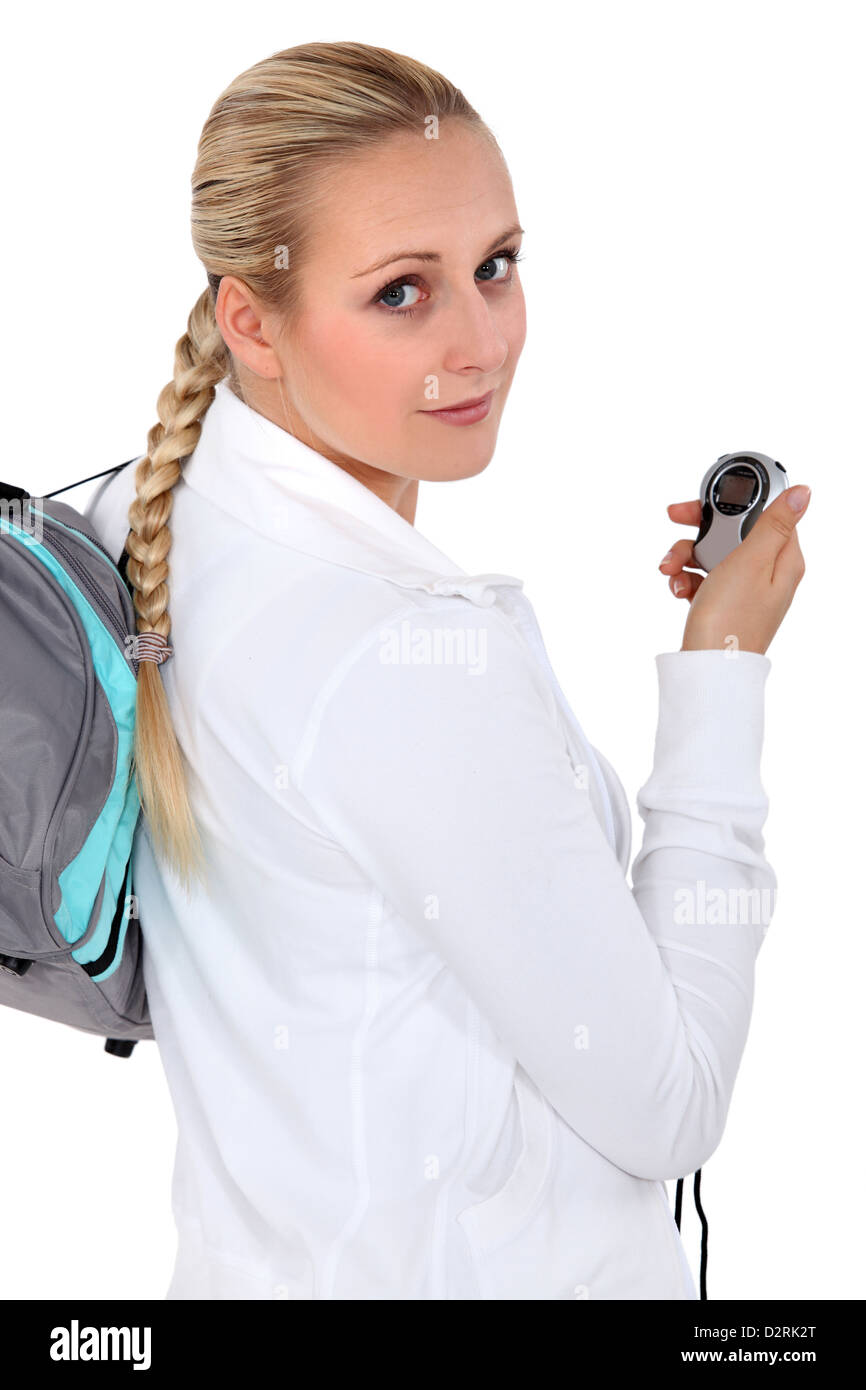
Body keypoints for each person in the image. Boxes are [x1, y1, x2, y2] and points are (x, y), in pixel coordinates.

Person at [85, 40, 809, 1300]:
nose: (478, 342)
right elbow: (670, 1107)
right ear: (247, 319)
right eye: (401, 294)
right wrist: (722, 671)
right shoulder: (397, 659)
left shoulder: (147, 525)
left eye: (494, 267)